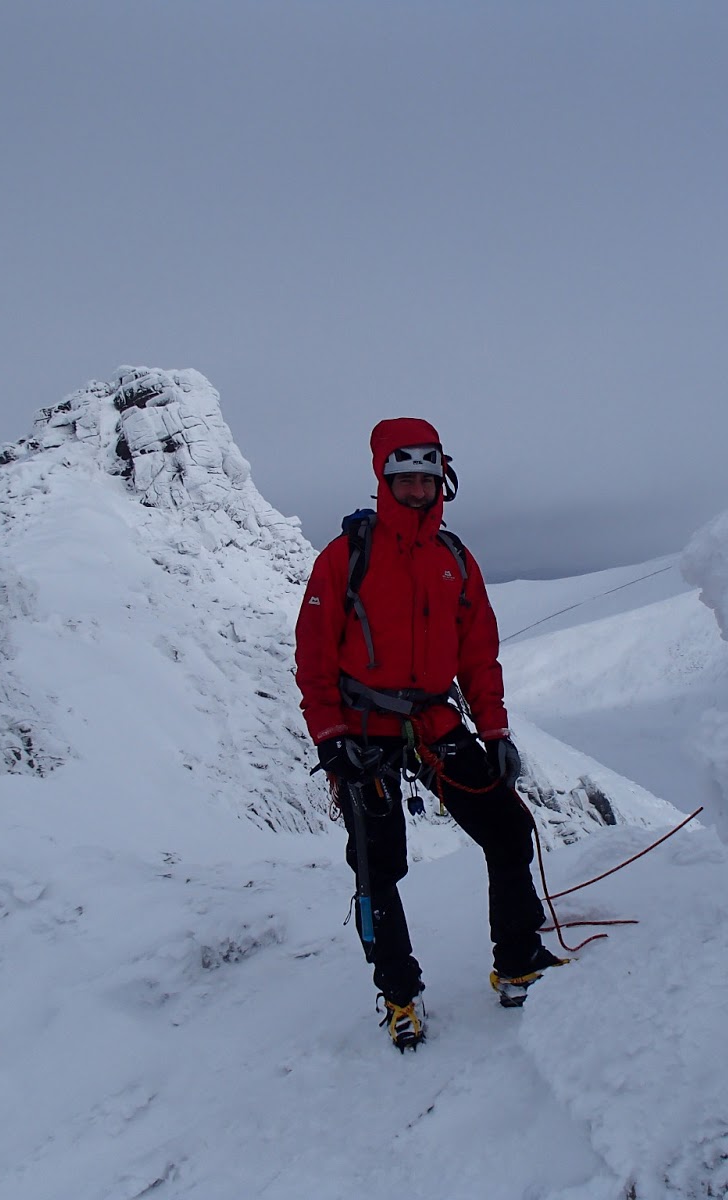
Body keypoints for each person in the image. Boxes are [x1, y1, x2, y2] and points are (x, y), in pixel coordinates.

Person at [294, 417, 563, 1051]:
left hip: (435, 719)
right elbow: (313, 654)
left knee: (506, 825)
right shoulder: (346, 558)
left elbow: (478, 652)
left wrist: (493, 727)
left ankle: (519, 958)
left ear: (441, 478)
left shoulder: (453, 559)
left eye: (426, 477)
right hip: (365, 728)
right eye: (405, 477)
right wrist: (330, 739)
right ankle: (399, 995)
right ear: (385, 480)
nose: (417, 488)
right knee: (376, 864)